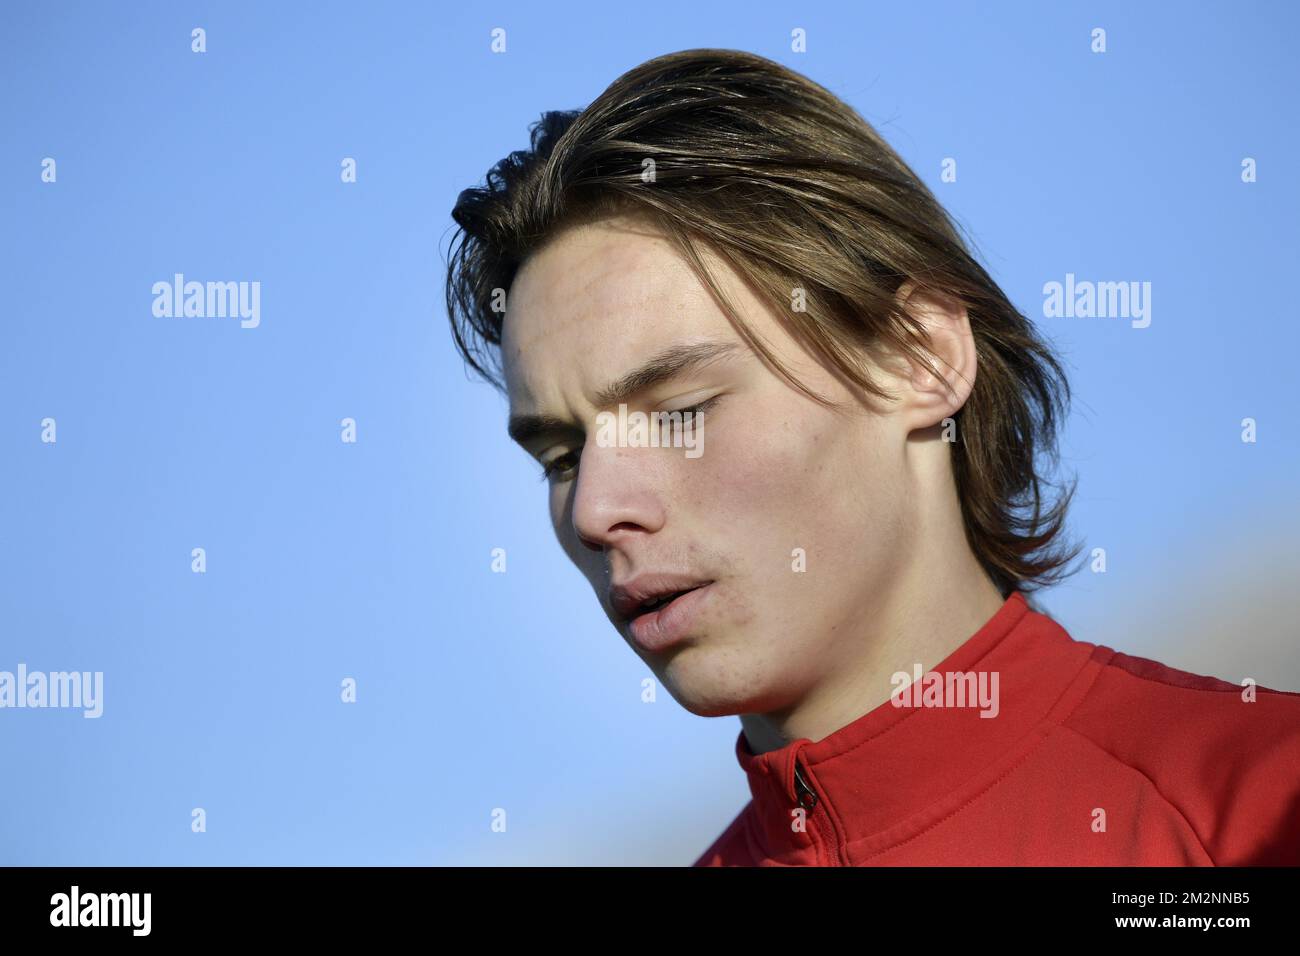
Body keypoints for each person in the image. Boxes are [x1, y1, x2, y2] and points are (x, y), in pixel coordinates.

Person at [443, 48, 1300, 865]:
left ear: (920, 358)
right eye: (560, 456)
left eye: (681, 413)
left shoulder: (1257, 813)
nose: (595, 509)